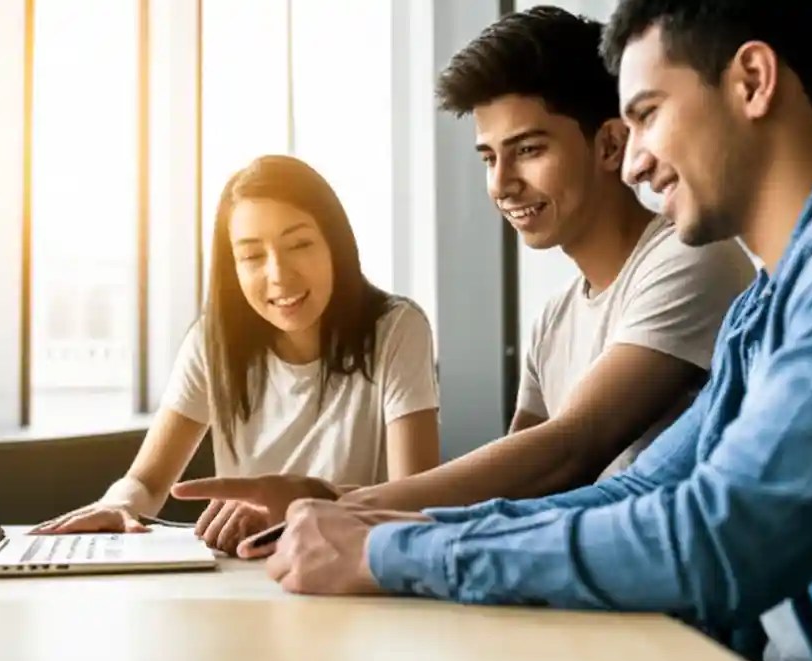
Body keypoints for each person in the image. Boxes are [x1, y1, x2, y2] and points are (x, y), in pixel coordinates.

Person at [255, 2, 812, 661]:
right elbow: (638, 489)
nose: (632, 164)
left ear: (753, 82)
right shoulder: (765, 309)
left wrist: (391, 548)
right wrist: (381, 523)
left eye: (647, 116)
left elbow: (719, 536)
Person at [171, 6, 752, 550]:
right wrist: (318, 497)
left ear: (609, 144)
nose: (502, 184)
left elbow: (568, 450)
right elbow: (509, 485)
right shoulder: (555, 318)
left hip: (675, 628)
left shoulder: (690, 259)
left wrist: (346, 509)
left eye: (527, 150)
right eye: (487, 158)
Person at [31, 155, 441, 556]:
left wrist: (298, 508)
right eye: (251, 255)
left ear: (336, 244)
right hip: (247, 571)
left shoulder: (396, 330)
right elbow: (147, 483)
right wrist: (117, 504)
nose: (278, 274)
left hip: (353, 566)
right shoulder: (214, 343)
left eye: (299, 244)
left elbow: (417, 497)